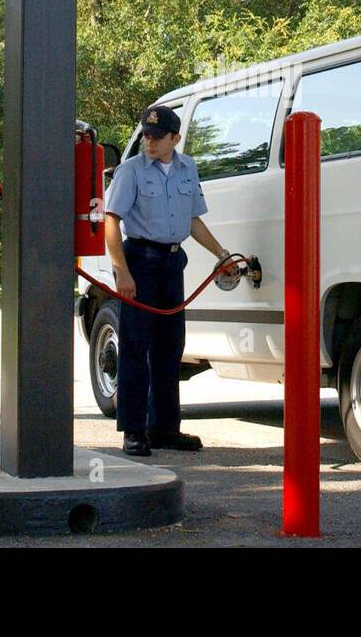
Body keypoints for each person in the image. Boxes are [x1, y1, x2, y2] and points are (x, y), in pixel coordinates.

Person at [104, 104, 232, 457]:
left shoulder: (186, 168)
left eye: (157, 137)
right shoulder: (129, 172)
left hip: (173, 262)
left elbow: (193, 220)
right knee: (135, 346)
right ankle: (133, 429)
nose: (149, 141)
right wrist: (122, 271)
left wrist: (221, 254)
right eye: (146, 134)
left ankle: (163, 428)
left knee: (170, 346)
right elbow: (111, 221)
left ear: (175, 138)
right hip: (140, 261)